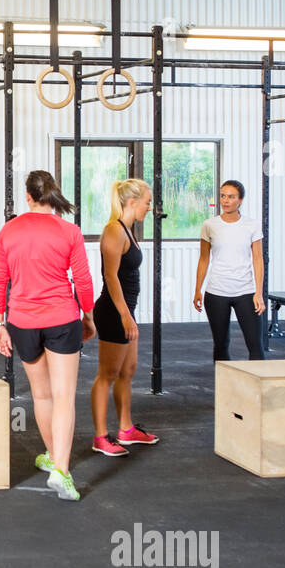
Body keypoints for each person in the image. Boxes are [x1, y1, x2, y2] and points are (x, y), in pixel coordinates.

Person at [0, 171, 96, 502]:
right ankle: (61, 470)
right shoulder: (69, 231)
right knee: (64, 396)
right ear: (52, 194)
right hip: (63, 319)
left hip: (22, 322)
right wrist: (88, 316)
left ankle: (52, 456)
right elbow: (83, 280)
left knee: (42, 396)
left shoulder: (9, 230)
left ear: (28, 196)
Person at [90, 178, 159, 458]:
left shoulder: (128, 231)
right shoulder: (113, 231)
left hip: (125, 312)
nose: (149, 208)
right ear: (132, 202)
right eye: (147, 203)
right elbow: (110, 277)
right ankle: (100, 437)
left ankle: (126, 429)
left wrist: (129, 315)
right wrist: (125, 316)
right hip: (112, 312)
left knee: (127, 371)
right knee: (107, 374)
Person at [193, 180, 265, 361]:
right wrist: (197, 290)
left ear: (240, 200)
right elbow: (203, 259)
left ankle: (258, 389)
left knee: (255, 346)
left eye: (231, 197)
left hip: (246, 291)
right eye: (223, 196)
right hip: (216, 292)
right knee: (221, 344)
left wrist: (259, 293)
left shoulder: (252, 225)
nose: (225, 200)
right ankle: (224, 388)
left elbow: (258, 259)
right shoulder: (209, 225)